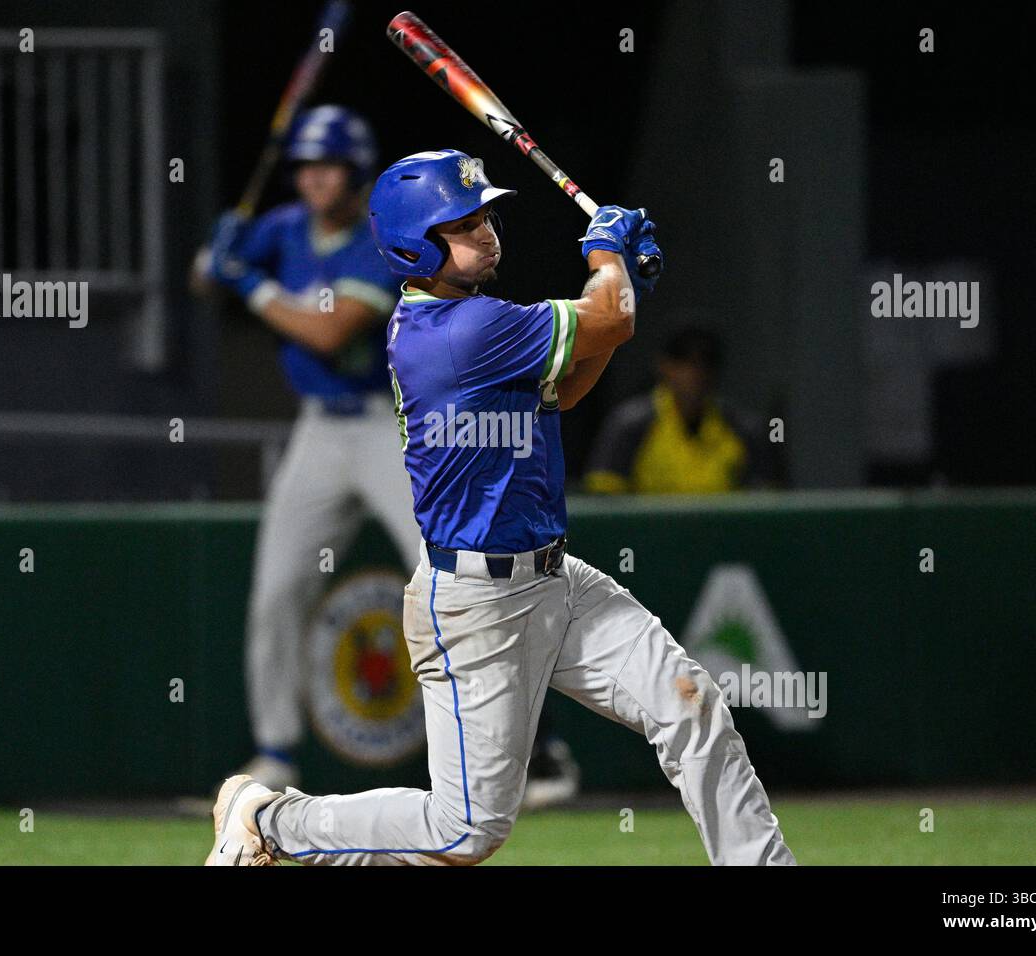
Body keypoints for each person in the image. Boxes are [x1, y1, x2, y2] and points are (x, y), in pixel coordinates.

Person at [205, 149, 795, 866]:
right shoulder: (459, 334)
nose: (485, 231)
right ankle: (272, 823)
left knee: (691, 705)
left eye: (484, 214)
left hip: (555, 580)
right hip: (474, 607)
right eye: (461, 222)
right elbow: (610, 318)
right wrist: (608, 256)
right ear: (414, 246)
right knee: (466, 832)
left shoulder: (484, 322)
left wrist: (621, 282)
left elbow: (570, 386)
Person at [203, 112, 578, 803]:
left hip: (396, 429)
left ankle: (536, 749)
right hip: (317, 431)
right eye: (307, 166)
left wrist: (247, 284)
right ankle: (276, 752)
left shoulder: (382, 243)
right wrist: (216, 258)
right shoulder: (285, 227)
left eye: (331, 166)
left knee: (471, 577)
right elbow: (205, 283)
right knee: (279, 586)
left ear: (355, 174)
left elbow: (329, 333)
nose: (316, 177)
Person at [584, 325, 771, 494]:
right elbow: (603, 498)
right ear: (663, 365)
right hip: (650, 532)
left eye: (706, 360)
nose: (695, 372)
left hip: (721, 532)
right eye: (683, 359)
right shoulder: (629, 424)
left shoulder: (745, 429)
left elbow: (764, 501)